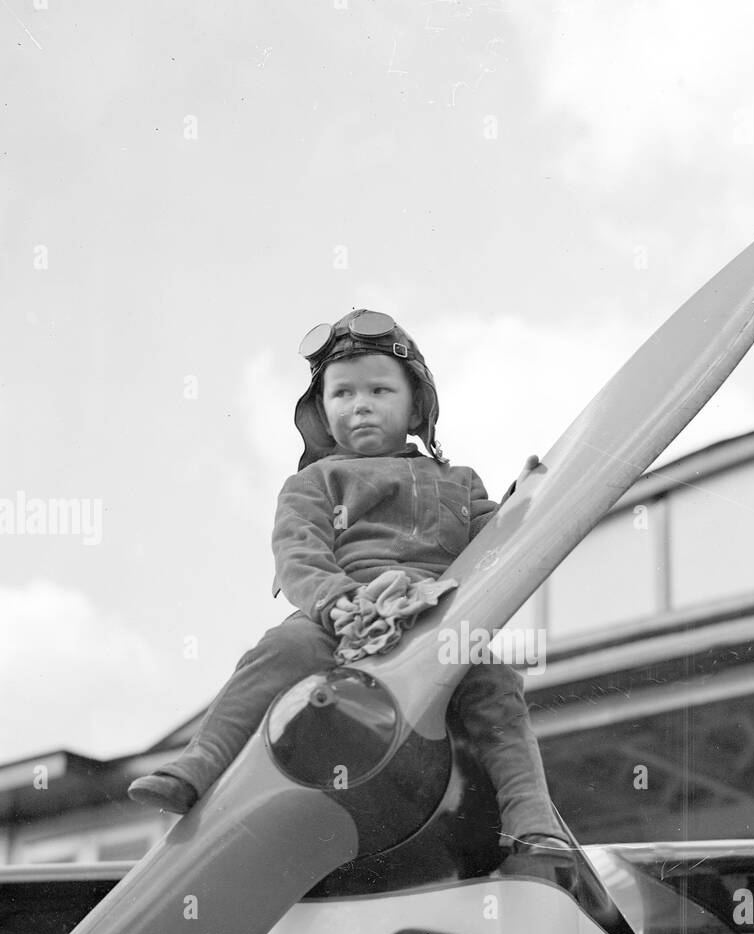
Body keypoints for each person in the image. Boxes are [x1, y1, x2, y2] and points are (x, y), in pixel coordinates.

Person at [128, 308, 574, 876]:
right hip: (340, 611)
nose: (358, 403)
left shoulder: (459, 482)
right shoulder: (313, 482)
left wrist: (533, 498)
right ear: (321, 412)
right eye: (341, 394)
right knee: (277, 653)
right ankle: (200, 761)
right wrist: (339, 602)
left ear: (416, 406)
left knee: (495, 686)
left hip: (435, 615)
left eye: (378, 389)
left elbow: (499, 543)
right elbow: (298, 551)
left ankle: (531, 815)